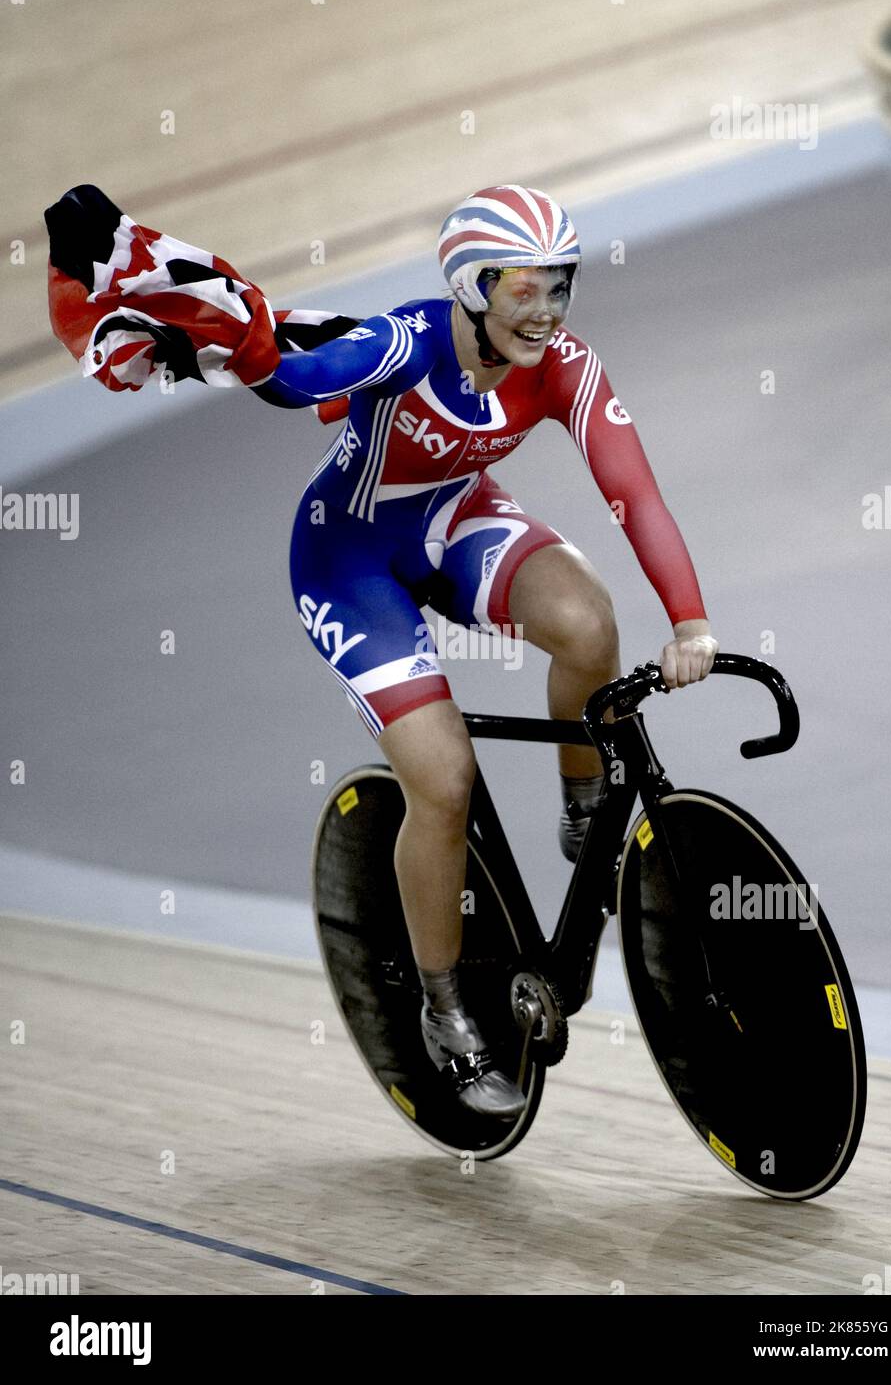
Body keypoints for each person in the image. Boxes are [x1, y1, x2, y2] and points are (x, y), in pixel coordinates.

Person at [248, 184, 718, 1120]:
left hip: (454, 517)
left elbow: (636, 493)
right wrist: (237, 343)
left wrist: (691, 620)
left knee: (588, 623)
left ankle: (585, 809)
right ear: (472, 289)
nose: (546, 311)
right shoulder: (408, 340)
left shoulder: (564, 365)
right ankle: (444, 1003)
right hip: (347, 562)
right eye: (523, 291)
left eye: (560, 287)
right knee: (446, 780)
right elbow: (296, 380)